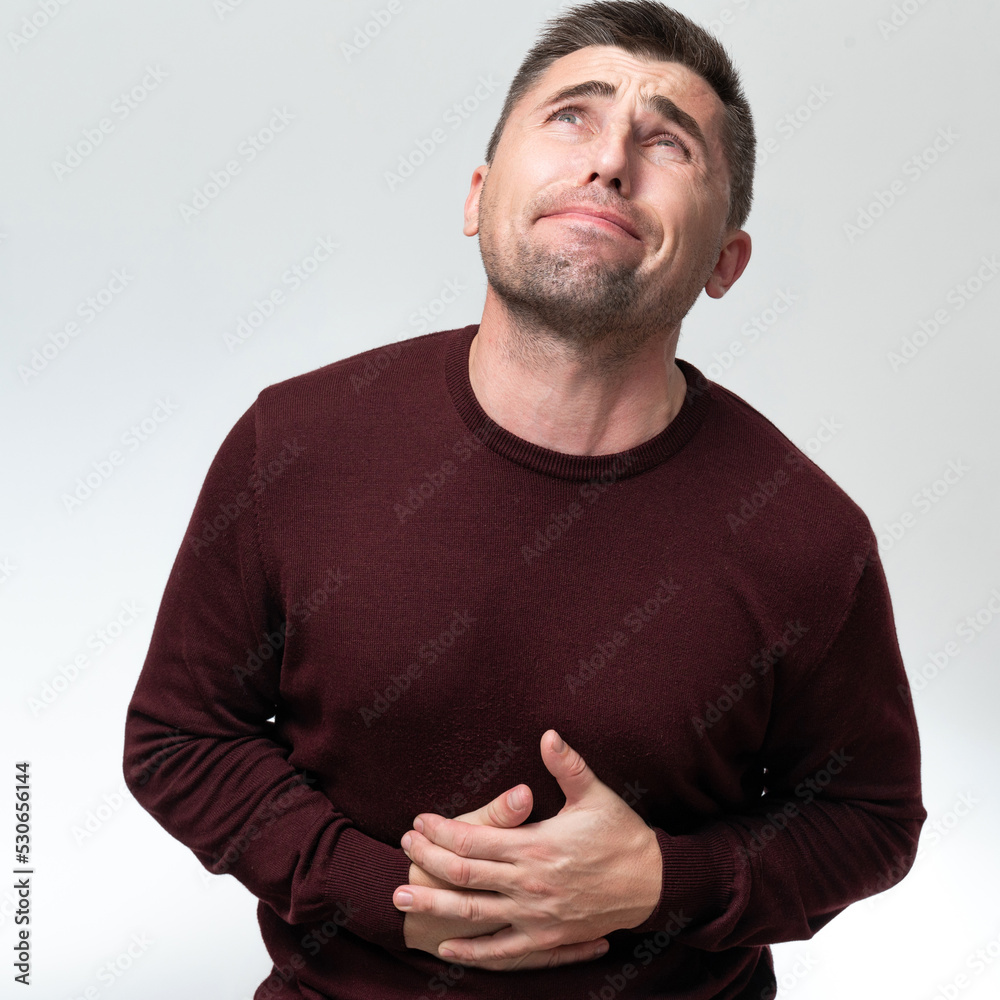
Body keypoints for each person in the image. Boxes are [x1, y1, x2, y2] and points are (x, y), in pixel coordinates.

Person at [122, 2, 926, 997]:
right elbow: (181, 736)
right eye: (570, 118)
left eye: (666, 141)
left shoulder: (807, 535)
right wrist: (392, 896)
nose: (609, 162)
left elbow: (868, 817)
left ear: (725, 260)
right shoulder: (292, 444)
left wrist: (662, 883)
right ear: (476, 196)